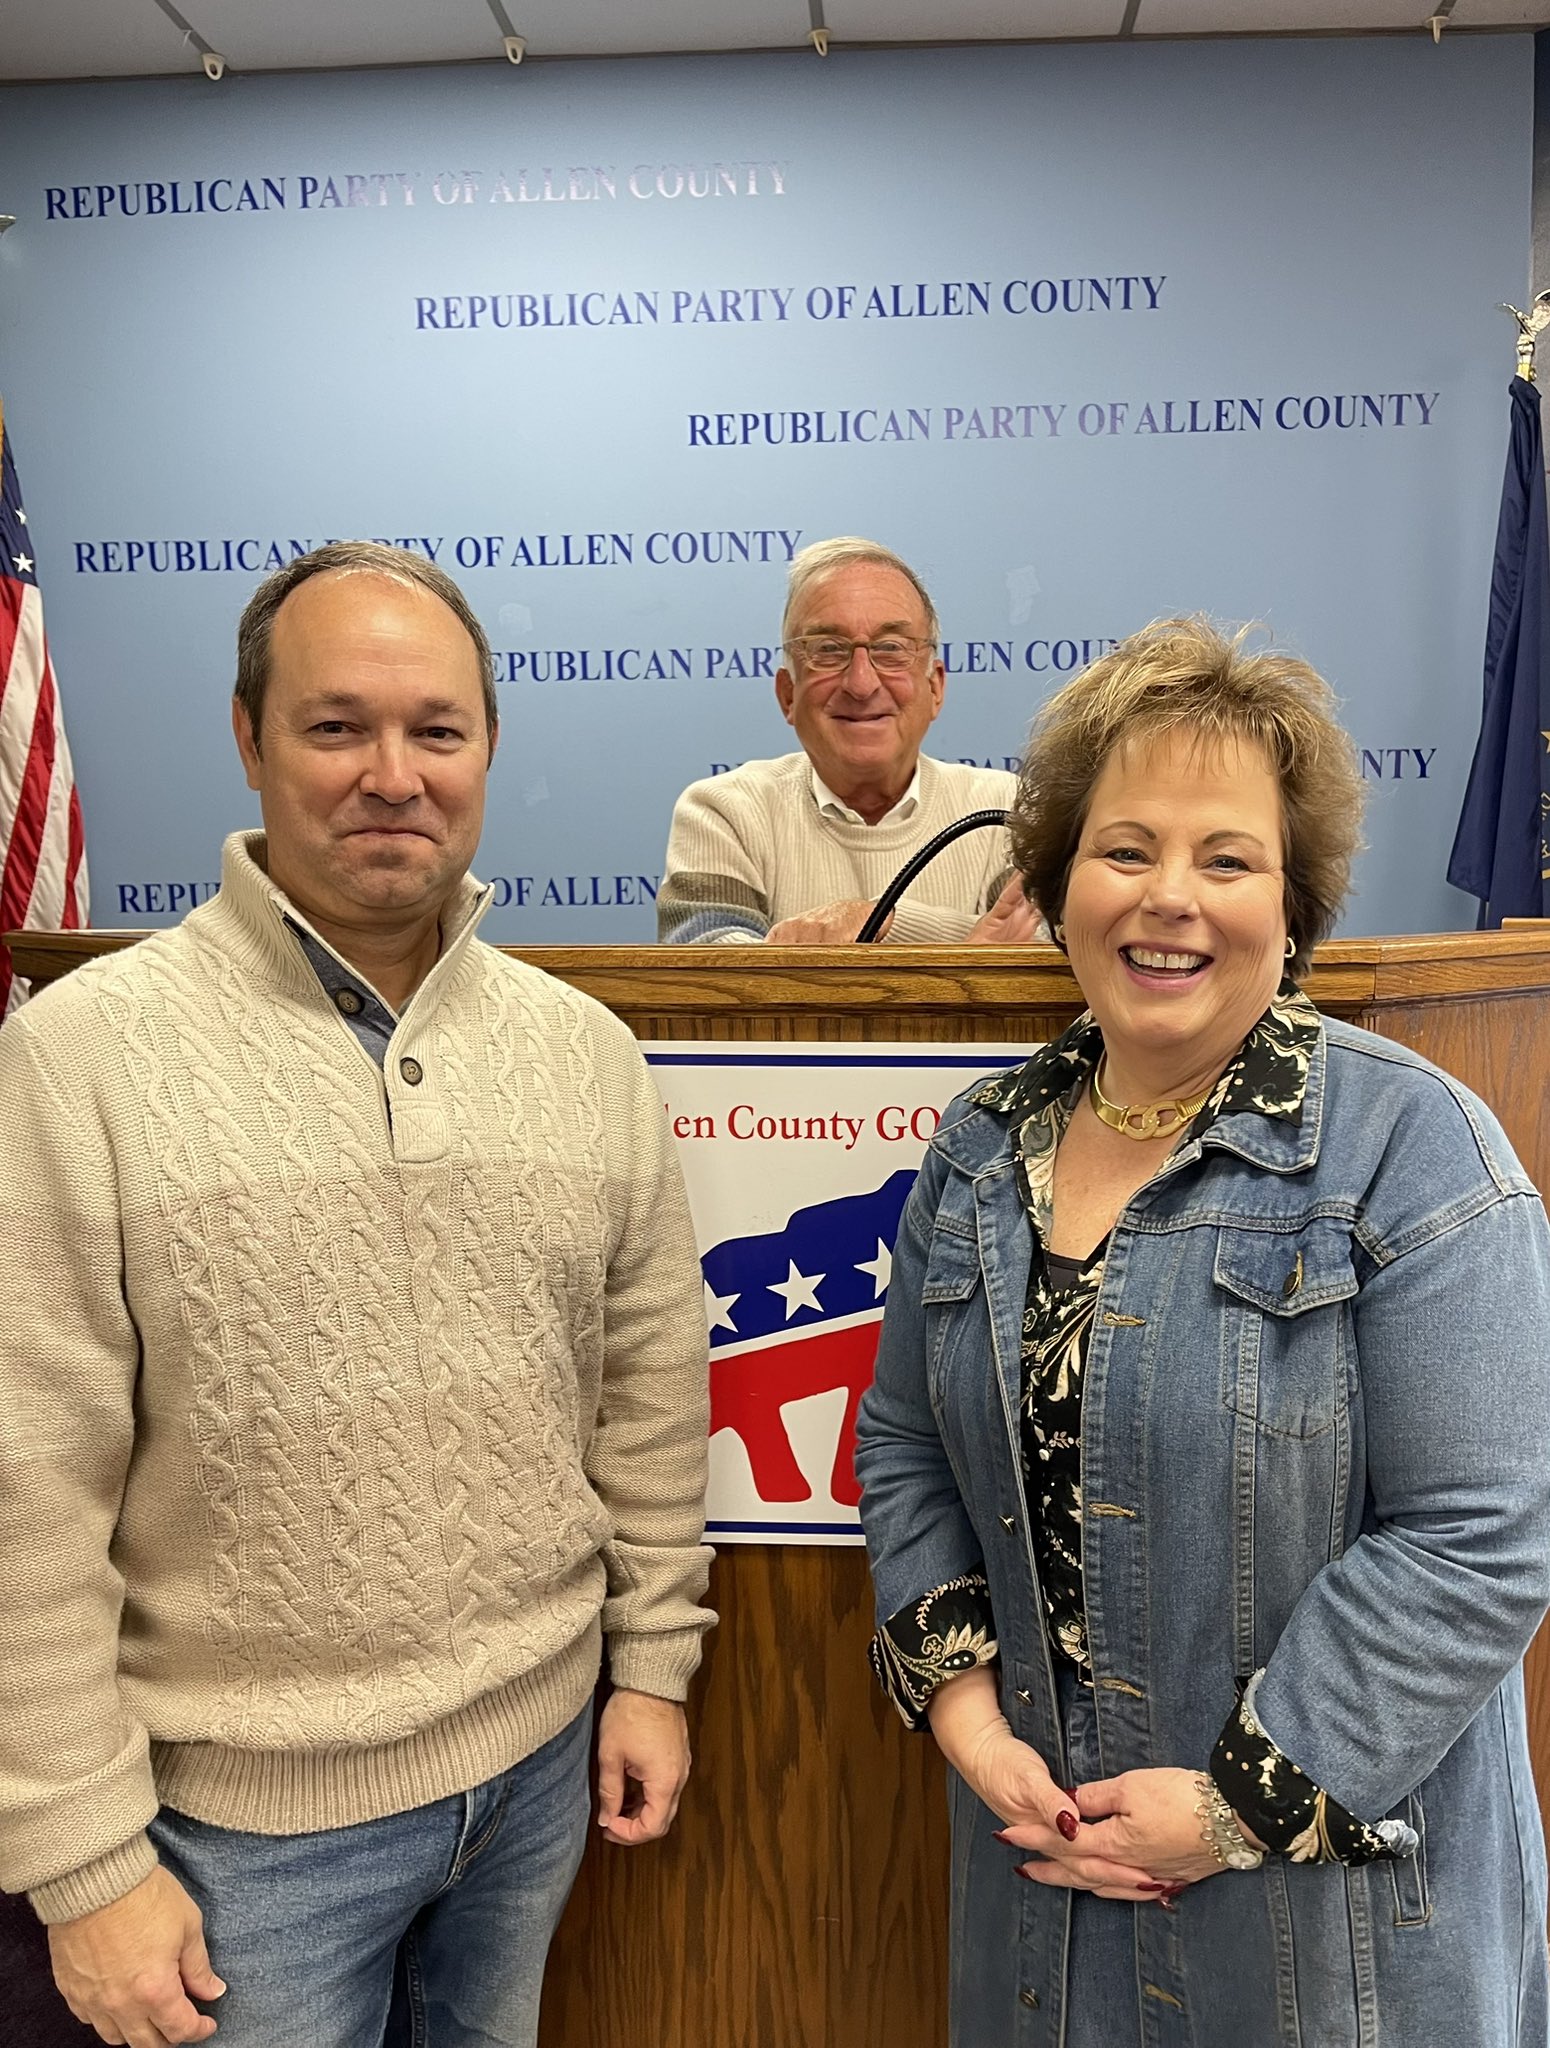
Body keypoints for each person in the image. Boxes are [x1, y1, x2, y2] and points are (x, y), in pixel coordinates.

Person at [0, 541, 714, 2048]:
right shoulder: (79, 1061)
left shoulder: (585, 1053)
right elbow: (25, 1490)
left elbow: (647, 1397)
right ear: (249, 738)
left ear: (486, 749)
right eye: (336, 727)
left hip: (536, 1779)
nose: (392, 773)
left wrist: (649, 1668)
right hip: (235, 1841)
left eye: (434, 731)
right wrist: (78, 1864)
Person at [854, 616, 1550, 2046]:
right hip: (1036, 1883)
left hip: (1325, 1923)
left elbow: (1481, 1532)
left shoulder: (1411, 1149)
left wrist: (1235, 1805)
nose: (1168, 900)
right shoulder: (979, 1150)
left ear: (1291, 903)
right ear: (1053, 884)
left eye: (1225, 859)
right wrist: (970, 1730)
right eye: (1124, 850)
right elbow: (904, 1443)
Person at [657, 536, 1036, 944]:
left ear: (935, 689)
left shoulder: (1006, 811)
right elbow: (711, 975)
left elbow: (1053, 956)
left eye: (891, 649)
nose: (861, 683)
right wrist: (966, 945)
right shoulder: (725, 811)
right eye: (829, 650)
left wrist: (879, 921)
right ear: (788, 694)